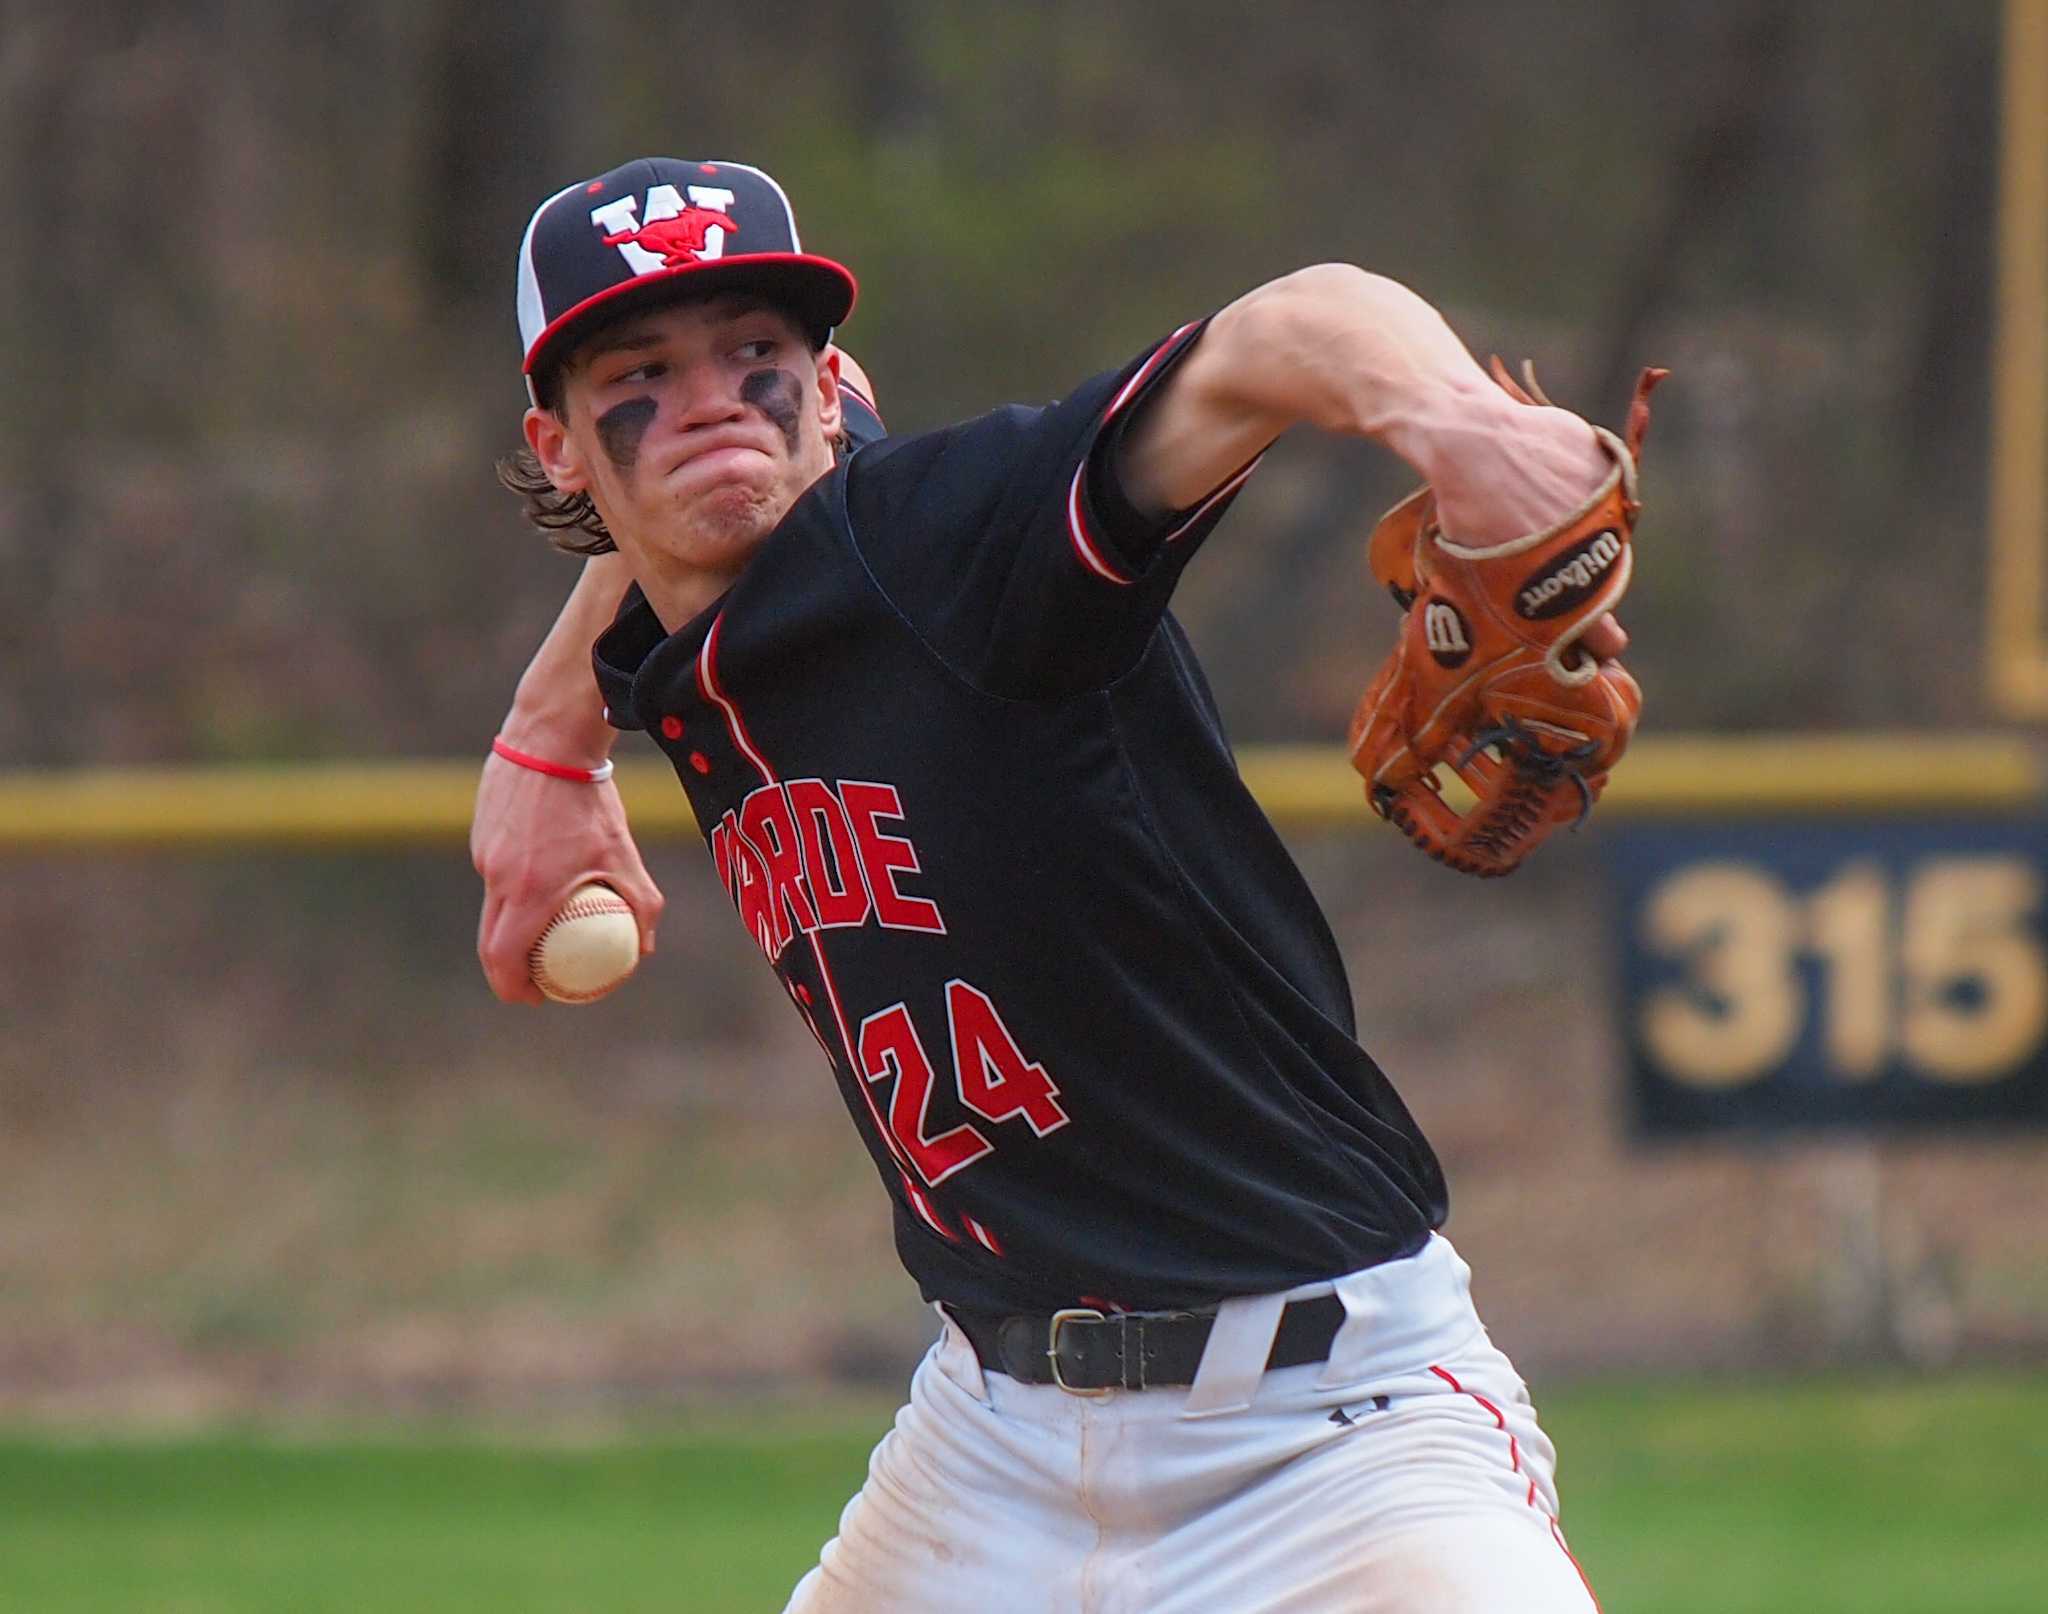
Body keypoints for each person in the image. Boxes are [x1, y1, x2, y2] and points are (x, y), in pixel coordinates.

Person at [474, 154, 1628, 1612]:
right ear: (559, 448)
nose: (712, 399)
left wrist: (1461, 422)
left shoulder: (953, 544)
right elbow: (675, 534)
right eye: (643, 371)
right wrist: (548, 736)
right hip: (991, 1445)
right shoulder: (693, 615)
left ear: (822, 387)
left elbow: (1294, 325)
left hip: (1327, 1433)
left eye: (755, 351)